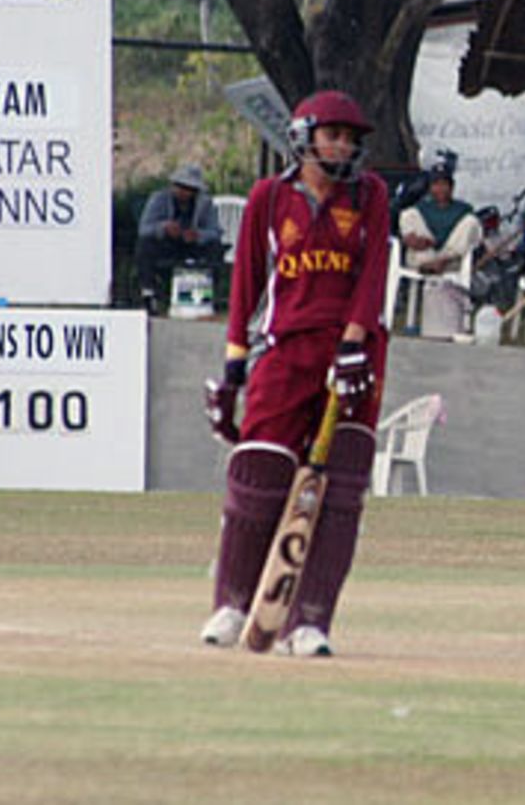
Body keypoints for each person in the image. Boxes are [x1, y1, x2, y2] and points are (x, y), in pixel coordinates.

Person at [200, 90, 389, 657]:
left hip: (356, 353)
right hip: (286, 349)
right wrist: (234, 366)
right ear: (304, 138)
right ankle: (233, 603)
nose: (343, 147)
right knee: (259, 471)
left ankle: (309, 621)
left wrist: (353, 346)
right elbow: (247, 283)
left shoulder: (370, 195)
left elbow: (373, 275)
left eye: (350, 139)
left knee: (343, 486)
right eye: (333, 136)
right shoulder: (269, 196)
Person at [134, 163, 223, 313]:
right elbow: (144, 229)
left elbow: (215, 231)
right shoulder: (159, 199)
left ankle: (209, 294)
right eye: (180, 186)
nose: (183, 192)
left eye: (188, 188)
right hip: (166, 245)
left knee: (215, 246)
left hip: (192, 246)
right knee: (144, 245)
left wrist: (198, 235)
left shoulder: (206, 204)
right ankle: (148, 292)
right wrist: (164, 228)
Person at [398, 155, 483, 276]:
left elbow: (475, 238)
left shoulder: (463, 209)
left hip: (450, 262)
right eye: (436, 184)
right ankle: (433, 264)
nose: (440, 189)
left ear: (451, 187)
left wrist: (445, 259)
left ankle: (440, 262)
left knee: (472, 222)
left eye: (444, 184)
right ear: (430, 188)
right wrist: (413, 240)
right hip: (424, 258)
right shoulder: (421, 208)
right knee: (408, 215)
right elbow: (408, 234)